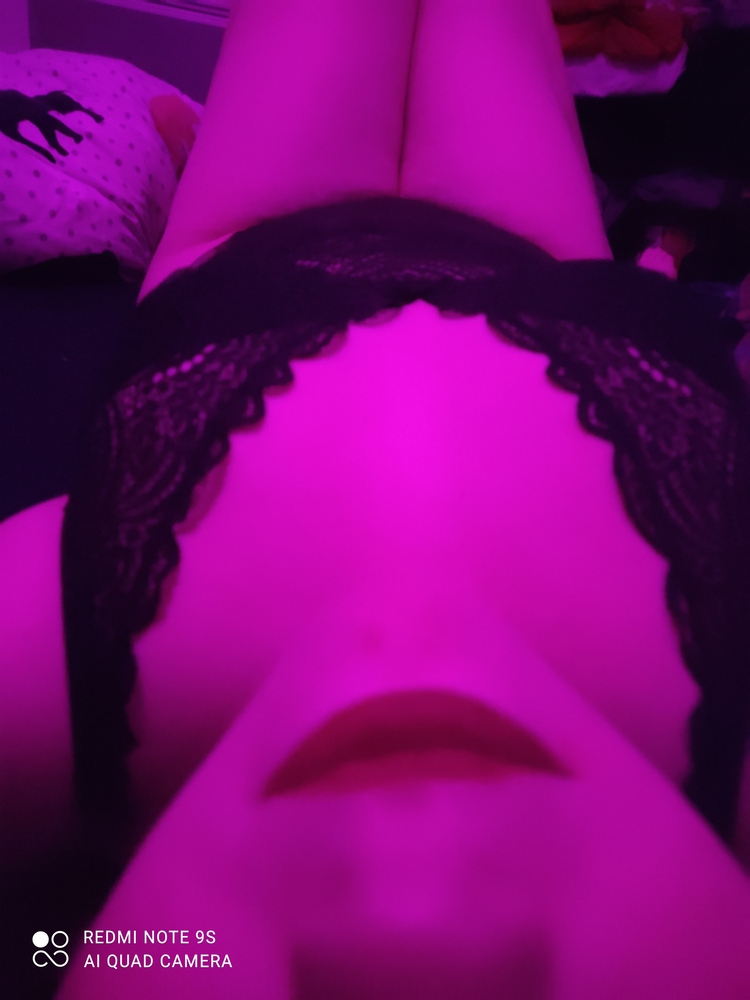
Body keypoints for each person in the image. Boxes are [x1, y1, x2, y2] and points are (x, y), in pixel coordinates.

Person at [0, 0, 749, 995]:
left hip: (253, 251)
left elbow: (50, 950)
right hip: (551, 264)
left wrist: (71, 939)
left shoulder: (45, 701)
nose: (413, 928)